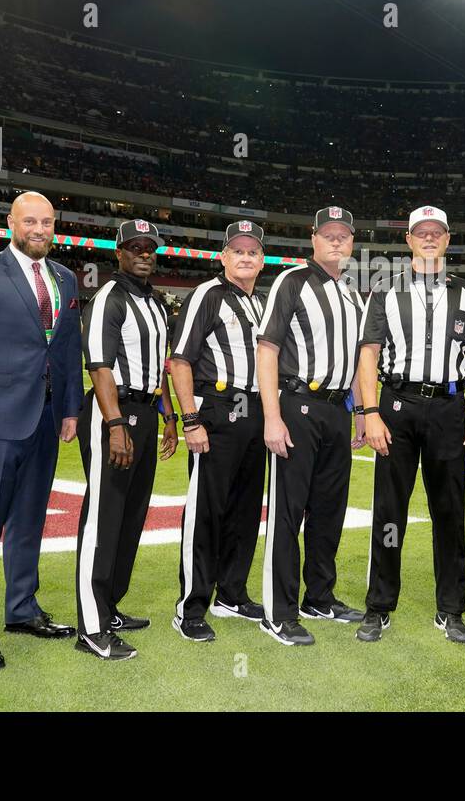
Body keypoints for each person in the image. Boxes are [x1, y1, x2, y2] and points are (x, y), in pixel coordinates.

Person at [0, 191, 83, 671]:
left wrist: (70, 409)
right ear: (11, 223)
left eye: (46, 221)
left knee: (29, 520)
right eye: (30, 221)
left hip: (45, 418)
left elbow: (67, 350)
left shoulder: (64, 278)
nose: (39, 229)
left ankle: (22, 609)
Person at [358, 204, 465, 645]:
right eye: (422, 232)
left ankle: (451, 609)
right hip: (396, 404)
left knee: (449, 512)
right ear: (410, 240)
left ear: (448, 239)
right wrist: (370, 412)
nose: (430, 238)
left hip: (448, 408)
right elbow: (369, 354)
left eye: (438, 232)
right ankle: (379, 606)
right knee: (389, 511)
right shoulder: (384, 289)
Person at [257, 206, 367, 646]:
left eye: (344, 235)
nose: (337, 241)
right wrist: (271, 416)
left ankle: (319, 596)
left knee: (328, 511)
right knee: (288, 511)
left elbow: (360, 361)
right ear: (313, 238)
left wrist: (359, 411)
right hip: (297, 404)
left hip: (337, 410)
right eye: (329, 234)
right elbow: (267, 350)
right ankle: (277, 611)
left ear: (352, 242)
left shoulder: (354, 294)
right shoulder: (292, 281)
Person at [75, 219, 178, 660]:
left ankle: (109, 605)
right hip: (112, 413)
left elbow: (161, 365)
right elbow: (99, 367)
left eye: (149, 247)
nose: (143, 253)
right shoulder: (107, 300)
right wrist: (115, 424)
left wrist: (168, 415)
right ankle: (91, 627)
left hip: (145, 410)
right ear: (118, 252)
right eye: (134, 246)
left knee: (131, 516)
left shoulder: (153, 302)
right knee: (103, 517)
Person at [168, 220, 269, 641]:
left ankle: (232, 592)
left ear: (261, 260)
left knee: (246, 509)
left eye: (252, 252)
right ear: (223, 256)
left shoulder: (262, 302)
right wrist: (190, 419)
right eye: (238, 251)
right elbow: (180, 360)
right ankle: (191, 606)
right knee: (206, 512)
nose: (245, 257)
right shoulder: (206, 296)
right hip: (219, 409)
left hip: (256, 411)